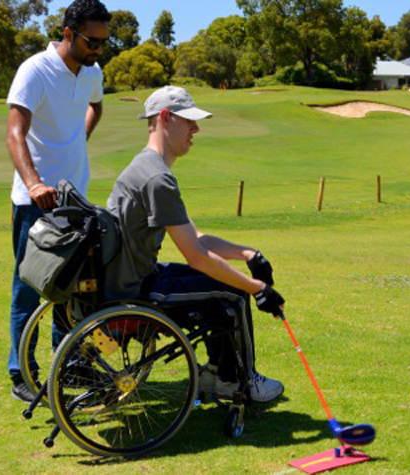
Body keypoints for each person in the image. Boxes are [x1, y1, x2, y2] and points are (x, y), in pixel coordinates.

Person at [103, 86, 286, 403]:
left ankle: (218, 373)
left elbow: (196, 238)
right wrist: (257, 288)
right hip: (135, 287)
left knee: (223, 281)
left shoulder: (151, 168)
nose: (196, 129)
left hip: (134, 276)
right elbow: (197, 256)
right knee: (234, 292)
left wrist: (249, 255)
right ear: (164, 118)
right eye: (188, 121)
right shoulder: (156, 178)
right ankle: (240, 380)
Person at [5, 0, 111, 403]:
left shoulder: (92, 72)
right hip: (35, 202)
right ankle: (21, 373)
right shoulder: (34, 69)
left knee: (74, 288)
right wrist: (33, 184)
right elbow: (15, 132)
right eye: (92, 41)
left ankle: (68, 365)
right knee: (29, 287)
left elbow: (96, 105)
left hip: (75, 199)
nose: (98, 50)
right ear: (68, 34)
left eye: (104, 42)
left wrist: (79, 138)